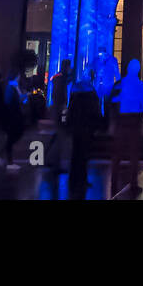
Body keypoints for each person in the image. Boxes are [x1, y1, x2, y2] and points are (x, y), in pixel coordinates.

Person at [109, 59, 143, 198]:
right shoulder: (140, 85)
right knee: (133, 154)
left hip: (121, 121)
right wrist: (140, 115)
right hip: (134, 122)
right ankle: (133, 182)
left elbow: (112, 101)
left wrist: (115, 118)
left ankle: (113, 181)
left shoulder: (120, 84)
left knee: (117, 154)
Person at [63, 68, 103, 199]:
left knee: (76, 153)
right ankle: (82, 179)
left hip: (77, 127)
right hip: (87, 128)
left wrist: (69, 123)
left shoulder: (76, 92)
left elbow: (71, 110)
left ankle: (74, 179)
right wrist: (98, 125)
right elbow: (95, 112)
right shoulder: (91, 93)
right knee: (84, 154)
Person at [0, 69, 27, 170]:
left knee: (12, 138)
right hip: (13, 116)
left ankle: (6, 159)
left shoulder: (13, 86)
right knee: (13, 137)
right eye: (19, 76)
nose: (20, 78)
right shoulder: (12, 87)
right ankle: (6, 159)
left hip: (13, 115)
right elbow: (14, 101)